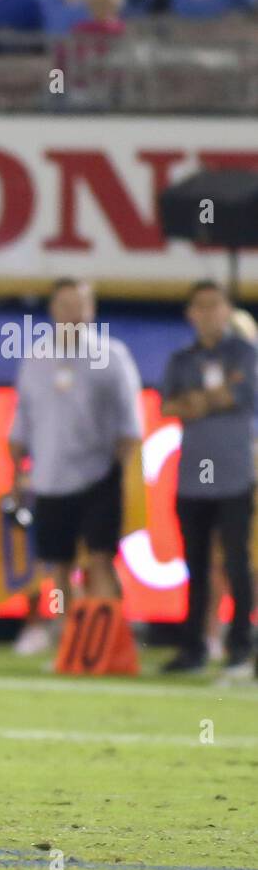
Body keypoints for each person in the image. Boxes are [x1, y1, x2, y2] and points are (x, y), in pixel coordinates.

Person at [8, 279, 142, 656]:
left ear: (91, 311)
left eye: (78, 306)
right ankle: (70, 637)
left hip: (99, 474)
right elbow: (22, 422)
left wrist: (117, 473)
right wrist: (19, 473)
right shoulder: (36, 357)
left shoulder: (111, 356)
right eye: (64, 305)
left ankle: (109, 637)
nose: (71, 314)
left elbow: (130, 425)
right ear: (52, 310)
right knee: (58, 565)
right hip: (49, 476)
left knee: (100, 558)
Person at [159, 281, 256, 675]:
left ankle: (240, 646)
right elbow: (169, 404)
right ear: (190, 313)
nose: (208, 313)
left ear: (227, 310)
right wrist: (209, 400)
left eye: (215, 306)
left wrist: (198, 401)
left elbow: (243, 395)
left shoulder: (245, 352)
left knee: (237, 563)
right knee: (195, 566)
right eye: (200, 306)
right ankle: (194, 647)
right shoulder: (182, 359)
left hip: (235, 474)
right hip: (193, 476)